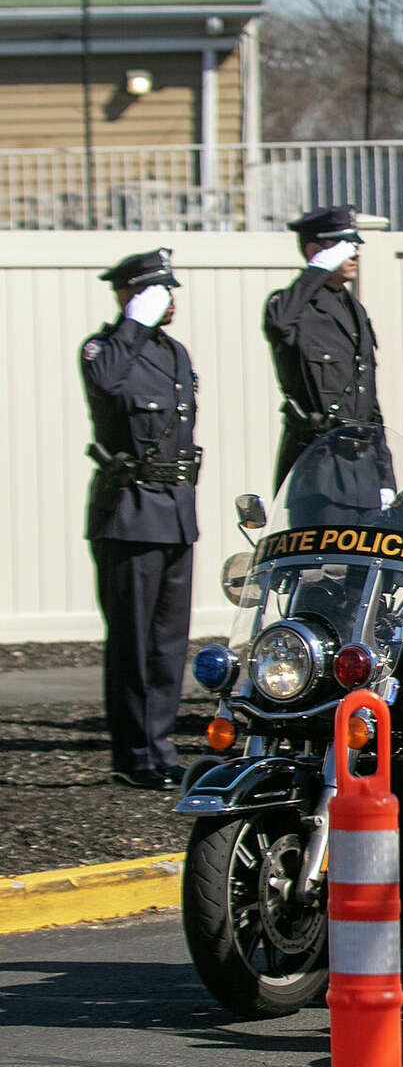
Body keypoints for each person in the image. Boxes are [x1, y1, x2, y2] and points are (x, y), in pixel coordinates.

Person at [80, 249, 199, 790]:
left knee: (169, 641)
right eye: (156, 290)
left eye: (170, 290)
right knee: (131, 639)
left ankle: (160, 746)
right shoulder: (105, 349)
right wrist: (131, 324)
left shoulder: (173, 354)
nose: (169, 300)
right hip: (128, 512)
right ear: (130, 294)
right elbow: (104, 384)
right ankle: (133, 755)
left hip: (174, 510)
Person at [263, 206, 381, 490]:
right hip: (317, 465)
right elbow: (279, 324)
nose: (355, 254)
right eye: (341, 246)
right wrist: (316, 269)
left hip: (361, 468)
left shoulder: (354, 310)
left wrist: (384, 475)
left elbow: (369, 402)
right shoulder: (293, 307)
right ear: (315, 250)